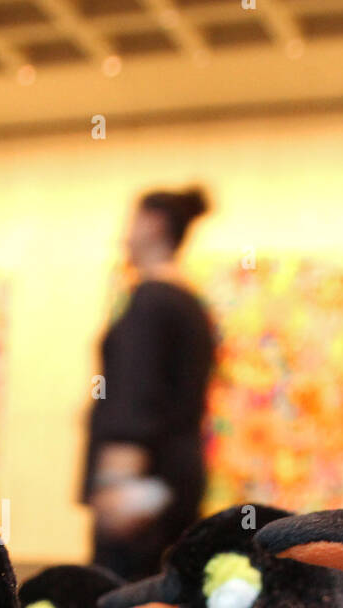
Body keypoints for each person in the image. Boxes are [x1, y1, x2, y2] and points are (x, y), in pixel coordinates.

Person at [83, 187, 216, 581]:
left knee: (122, 604)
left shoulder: (151, 303)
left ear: (153, 226)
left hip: (142, 490)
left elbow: (136, 397)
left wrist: (118, 480)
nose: (122, 237)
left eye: (130, 224)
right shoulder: (190, 305)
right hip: (175, 482)